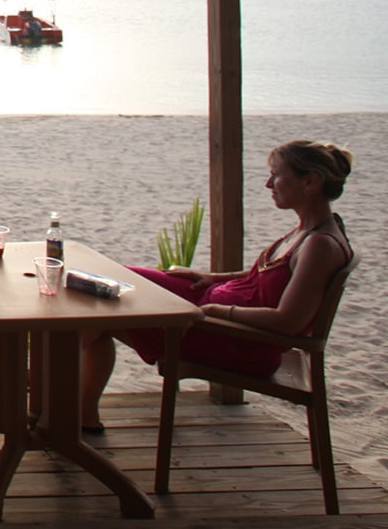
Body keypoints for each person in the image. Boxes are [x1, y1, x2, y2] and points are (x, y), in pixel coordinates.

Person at [79, 140, 355, 431]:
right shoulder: (308, 230)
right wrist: (214, 278)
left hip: (235, 341)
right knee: (111, 279)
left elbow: (289, 321)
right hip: (214, 310)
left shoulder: (319, 245)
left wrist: (216, 311)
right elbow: (268, 277)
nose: (268, 184)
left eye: (276, 175)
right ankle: (76, 412)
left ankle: (65, 412)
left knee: (101, 310)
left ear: (310, 181)